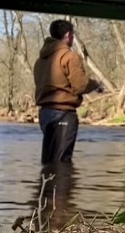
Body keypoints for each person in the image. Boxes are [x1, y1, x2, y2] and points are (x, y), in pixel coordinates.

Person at [33, 19, 103, 164]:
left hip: (45, 114)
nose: (73, 37)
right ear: (67, 35)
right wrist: (95, 84)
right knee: (62, 161)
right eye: (72, 34)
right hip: (63, 113)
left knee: (49, 159)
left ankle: (47, 179)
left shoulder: (40, 61)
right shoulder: (70, 57)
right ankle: (60, 179)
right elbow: (80, 86)